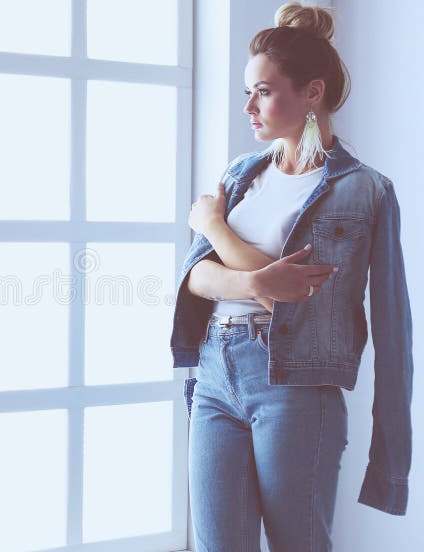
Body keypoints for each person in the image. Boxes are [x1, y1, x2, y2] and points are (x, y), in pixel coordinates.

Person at [170, 2, 414, 550]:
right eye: (247, 92)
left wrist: (215, 228)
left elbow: (329, 306)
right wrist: (257, 283)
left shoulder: (365, 191)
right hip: (215, 374)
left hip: (296, 388)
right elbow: (196, 281)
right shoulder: (241, 173)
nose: (248, 107)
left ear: (313, 93)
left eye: (263, 91)